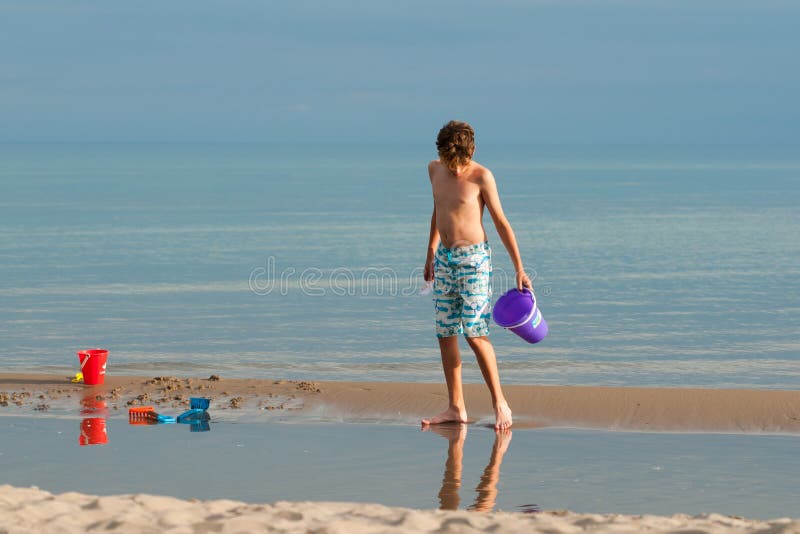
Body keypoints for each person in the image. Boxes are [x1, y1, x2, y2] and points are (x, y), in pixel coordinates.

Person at [422, 120, 532, 430]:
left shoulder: (482, 177)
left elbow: (501, 224)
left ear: (471, 154)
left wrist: (519, 269)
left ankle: (500, 402)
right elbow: (438, 208)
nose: (455, 169)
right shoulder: (433, 170)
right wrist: (429, 252)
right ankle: (456, 407)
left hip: (475, 262)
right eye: (449, 162)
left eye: (460, 162)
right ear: (441, 155)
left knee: (473, 331)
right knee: (445, 333)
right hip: (444, 259)